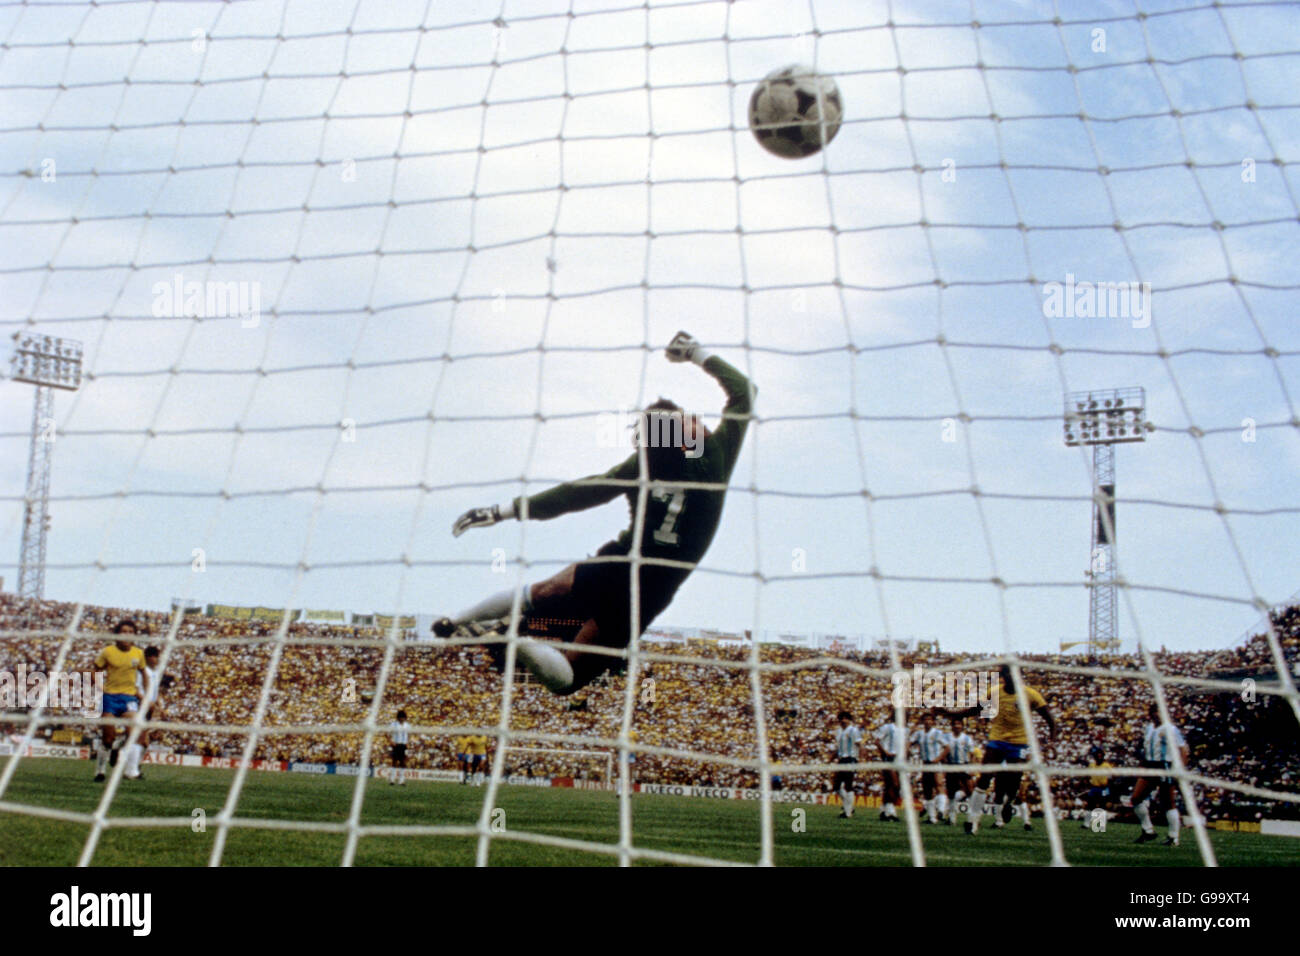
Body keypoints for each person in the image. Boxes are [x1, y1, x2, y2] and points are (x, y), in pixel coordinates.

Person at [433, 332, 756, 696]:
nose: (701, 423)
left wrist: (503, 511)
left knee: (544, 591)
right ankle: (511, 641)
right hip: (653, 590)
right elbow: (744, 390)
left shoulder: (645, 465)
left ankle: (458, 621)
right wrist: (696, 352)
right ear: (683, 439)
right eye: (691, 421)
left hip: (620, 561)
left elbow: (577, 494)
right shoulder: (715, 456)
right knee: (569, 678)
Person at [949, 664, 1055, 835]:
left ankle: (1009, 801)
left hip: (1019, 743)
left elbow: (1049, 718)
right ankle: (972, 820)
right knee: (985, 777)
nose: (1009, 677)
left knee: (1013, 783)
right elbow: (976, 709)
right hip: (997, 740)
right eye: (1006, 674)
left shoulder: (1031, 695)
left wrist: (1051, 740)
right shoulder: (995, 691)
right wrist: (954, 714)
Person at [91, 620, 150, 783]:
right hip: (110, 697)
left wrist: (145, 693)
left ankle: (129, 766)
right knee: (107, 738)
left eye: (130, 632)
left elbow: (144, 673)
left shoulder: (138, 653)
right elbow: (95, 671)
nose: (127, 634)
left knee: (134, 732)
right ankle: (100, 770)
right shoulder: (107, 652)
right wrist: (101, 688)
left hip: (129, 698)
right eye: (124, 631)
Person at [1131, 704, 1189, 847]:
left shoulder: (1171, 729)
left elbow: (1183, 750)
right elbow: (1146, 748)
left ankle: (1173, 837)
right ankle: (1148, 830)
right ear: (1151, 714)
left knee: (1168, 802)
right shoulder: (1149, 727)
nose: (1158, 715)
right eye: (1155, 712)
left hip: (1164, 766)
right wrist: (1142, 764)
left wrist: (1179, 769)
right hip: (1150, 765)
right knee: (1136, 798)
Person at [121, 645, 162, 781]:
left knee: (144, 741)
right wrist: (148, 702)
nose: (157, 659)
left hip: (148, 708)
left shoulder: (154, 673)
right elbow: (135, 689)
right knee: (139, 737)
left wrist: (157, 704)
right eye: (156, 657)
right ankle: (131, 771)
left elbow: (154, 692)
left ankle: (131, 765)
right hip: (137, 706)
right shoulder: (140, 672)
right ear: (150, 657)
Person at [910, 712, 950, 824]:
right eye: (925, 719)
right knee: (927, 790)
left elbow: (947, 747)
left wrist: (938, 758)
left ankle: (941, 810)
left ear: (933, 722)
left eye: (930, 719)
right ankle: (932, 818)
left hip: (935, 763)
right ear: (923, 721)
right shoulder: (919, 734)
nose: (928, 721)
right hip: (925, 763)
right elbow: (910, 742)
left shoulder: (938, 733)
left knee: (938, 784)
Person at [831, 711, 863, 818]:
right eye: (841, 718)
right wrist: (831, 758)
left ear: (849, 720)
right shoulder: (839, 732)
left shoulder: (853, 730)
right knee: (836, 786)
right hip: (841, 759)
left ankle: (848, 812)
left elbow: (860, 744)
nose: (843, 721)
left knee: (848, 784)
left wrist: (861, 759)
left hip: (850, 759)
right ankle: (848, 807)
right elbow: (838, 748)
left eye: (845, 718)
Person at [874, 714, 905, 821]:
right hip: (890, 759)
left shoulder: (904, 729)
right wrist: (885, 752)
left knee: (892, 786)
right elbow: (877, 741)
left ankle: (884, 810)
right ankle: (890, 812)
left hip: (900, 761)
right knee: (894, 784)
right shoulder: (888, 727)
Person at [389, 710, 410, 786]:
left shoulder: (407, 725)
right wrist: (391, 741)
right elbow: (387, 733)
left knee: (403, 763)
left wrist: (408, 743)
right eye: (401, 718)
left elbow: (409, 734)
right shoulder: (393, 724)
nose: (402, 719)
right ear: (398, 718)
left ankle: (401, 781)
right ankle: (392, 780)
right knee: (394, 762)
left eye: (403, 718)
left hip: (404, 745)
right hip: (396, 745)